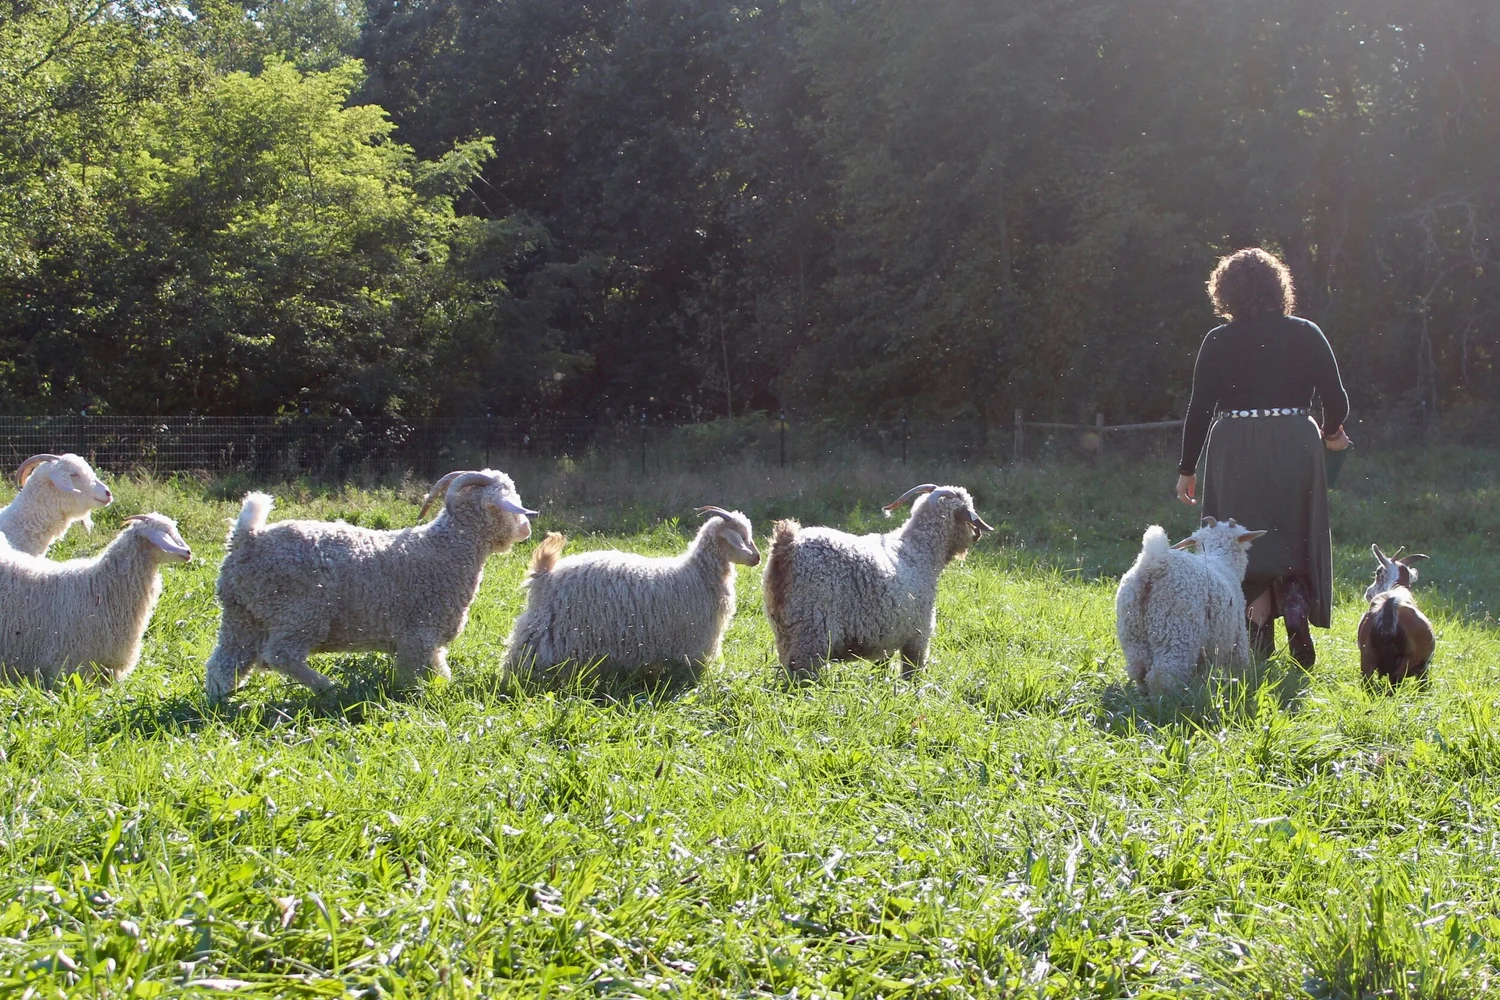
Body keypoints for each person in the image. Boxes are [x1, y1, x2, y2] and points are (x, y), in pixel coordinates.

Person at [1175, 247, 1352, 666]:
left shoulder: (1218, 340)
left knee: (1240, 541)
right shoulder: (1307, 332)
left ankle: (1255, 635)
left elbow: (1199, 409)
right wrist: (1330, 433)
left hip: (1233, 447)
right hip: (1296, 440)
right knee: (1294, 535)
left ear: (1225, 293)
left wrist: (1187, 468)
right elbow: (1336, 399)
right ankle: (1294, 606)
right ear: (1279, 287)